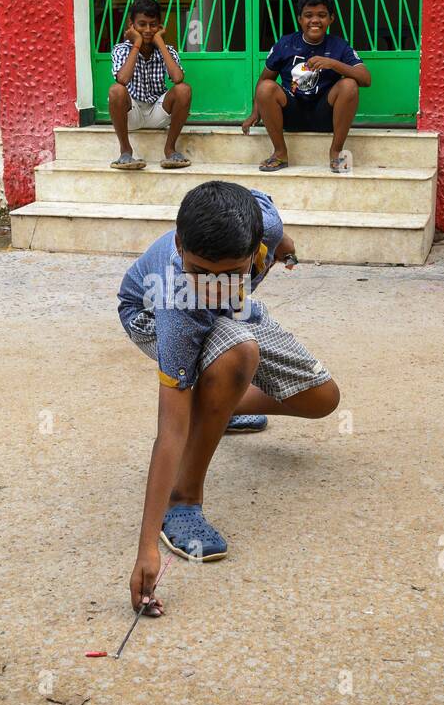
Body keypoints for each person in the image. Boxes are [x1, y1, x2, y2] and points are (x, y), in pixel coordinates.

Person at [117, 181, 340, 613]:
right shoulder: (177, 300)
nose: (214, 286)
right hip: (149, 313)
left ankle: (218, 403)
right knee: (239, 352)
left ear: (255, 248)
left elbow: (270, 214)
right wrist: (146, 549)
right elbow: (170, 432)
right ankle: (183, 500)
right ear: (180, 246)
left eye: (231, 274)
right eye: (202, 271)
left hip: (234, 315)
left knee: (322, 398)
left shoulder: (263, 227)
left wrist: (283, 246)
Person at [242, 0, 369, 173]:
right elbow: (263, 81)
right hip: (291, 113)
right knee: (266, 88)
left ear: (331, 18)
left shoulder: (339, 45)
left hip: (325, 115)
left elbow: (365, 79)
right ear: (300, 19)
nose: (315, 20)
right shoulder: (285, 44)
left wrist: (333, 64)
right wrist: (255, 113)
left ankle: (336, 153)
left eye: (322, 15)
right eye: (308, 15)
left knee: (349, 85)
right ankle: (280, 154)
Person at [108, 0, 192, 169]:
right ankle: (125, 151)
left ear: (159, 26)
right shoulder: (121, 49)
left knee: (183, 89)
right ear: (131, 26)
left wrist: (160, 43)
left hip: (157, 112)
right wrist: (137, 44)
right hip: (132, 113)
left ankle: (170, 149)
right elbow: (122, 79)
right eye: (142, 24)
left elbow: (177, 78)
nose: (147, 29)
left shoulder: (167, 50)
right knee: (116, 90)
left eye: (153, 25)